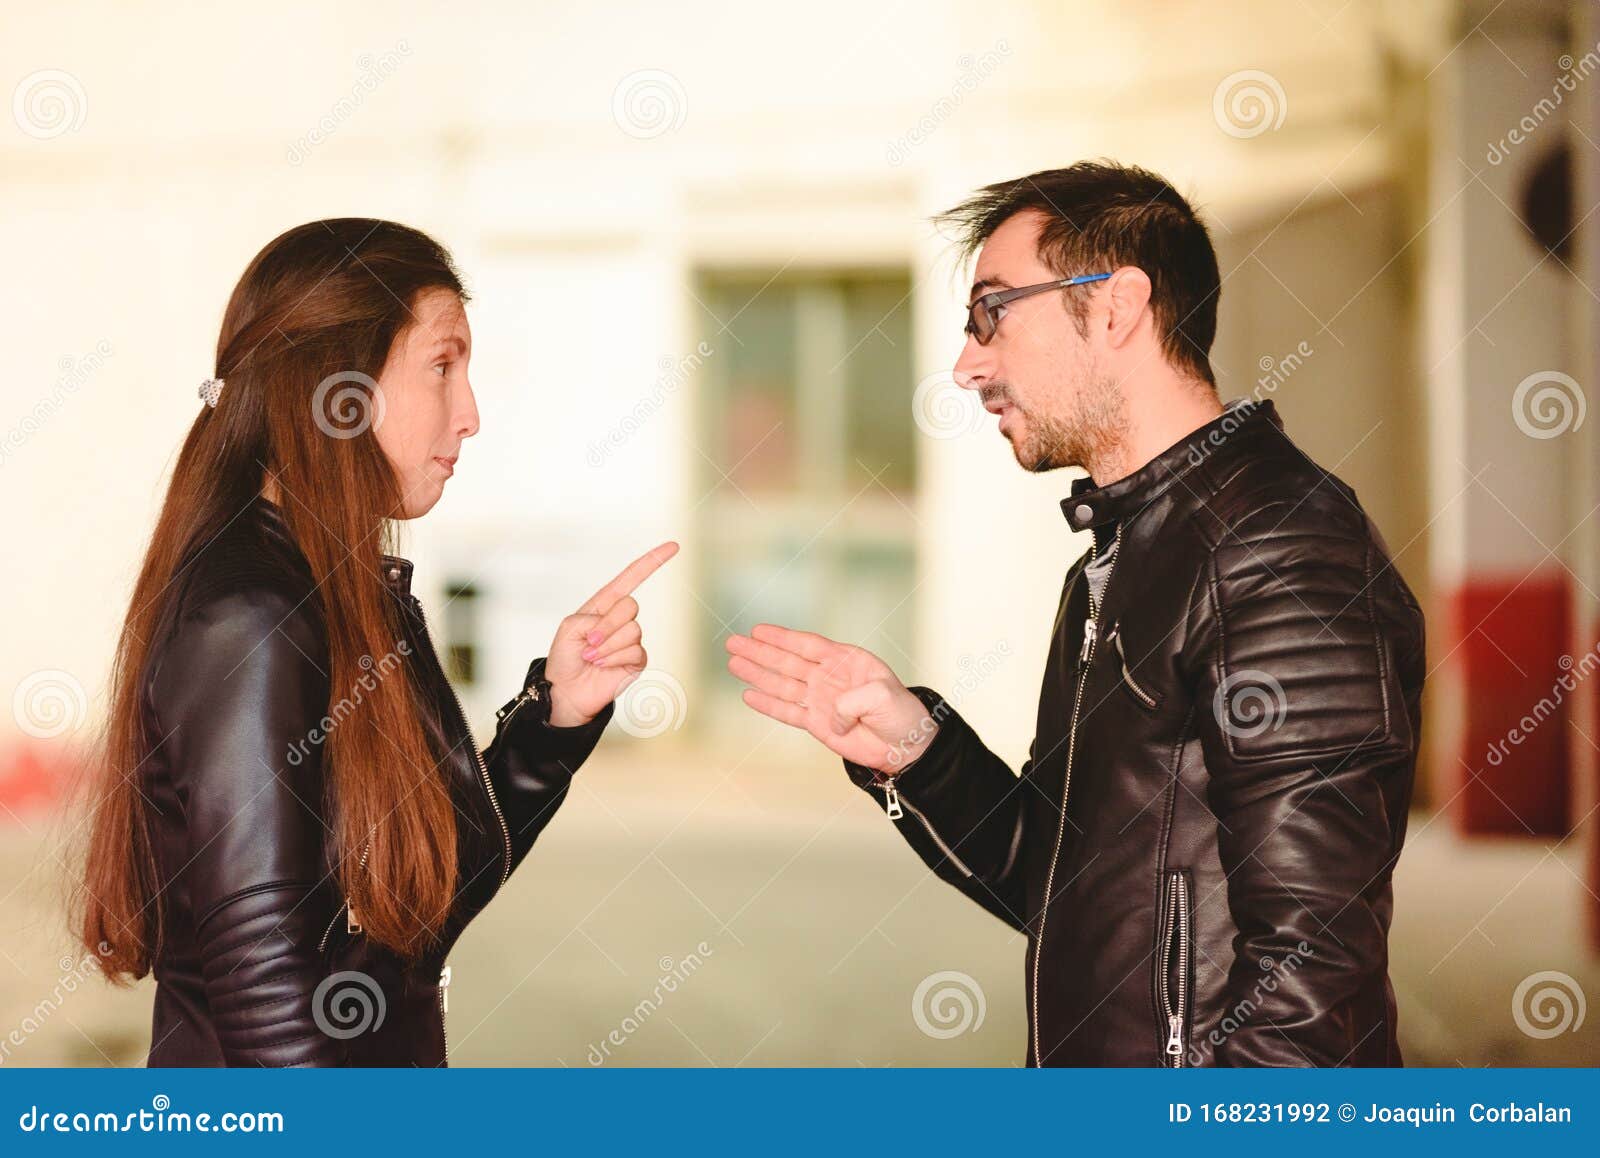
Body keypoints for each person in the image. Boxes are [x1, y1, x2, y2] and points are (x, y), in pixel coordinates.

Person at [727, 161, 1426, 1067]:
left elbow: (1311, 985)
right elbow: (1065, 887)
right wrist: (915, 751)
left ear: (1117, 307)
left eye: (993, 311)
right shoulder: (1121, 555)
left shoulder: (1276, 549)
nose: (967, 364)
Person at [73, 218, 676, 1066]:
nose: (470, 415)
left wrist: (554, 723)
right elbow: (272, 1011)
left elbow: (410, 913)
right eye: (443, 365)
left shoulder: (333, 594)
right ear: (340, 385)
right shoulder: (253, 620)